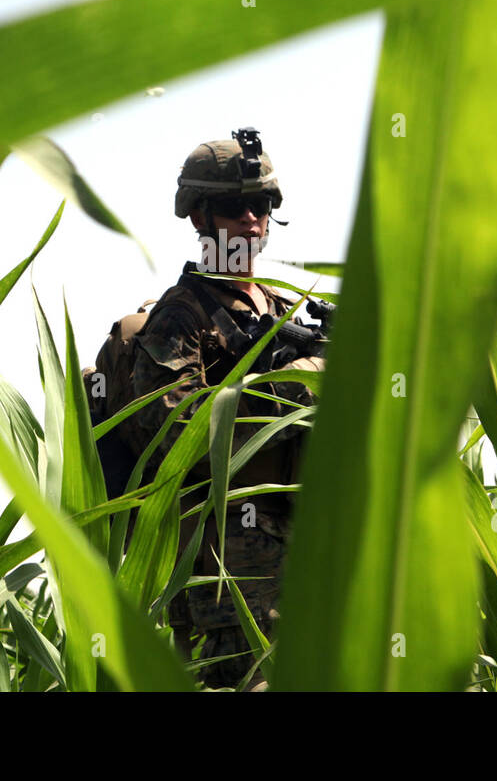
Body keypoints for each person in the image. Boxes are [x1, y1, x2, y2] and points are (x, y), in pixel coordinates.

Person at [115, 130, 324, 690]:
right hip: (227, 568)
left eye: (262, 205)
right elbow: (175, 432)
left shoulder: (290, 312)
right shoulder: (181, 318)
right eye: (235, 207)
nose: (252, 220)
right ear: (199, 217)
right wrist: (293, 387)